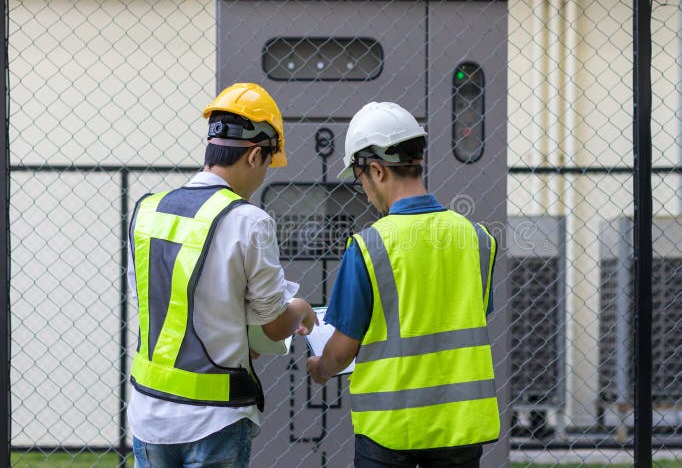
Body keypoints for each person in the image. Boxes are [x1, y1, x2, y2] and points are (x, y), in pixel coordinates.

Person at [127, 82, 316, 467]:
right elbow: (275, 325)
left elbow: (153, 300)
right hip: (216, 418)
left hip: (149, 413)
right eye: (266, 164)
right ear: (254, 155)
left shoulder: (147, 210)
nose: (263, 176)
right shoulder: (250, 221)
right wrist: (300, 308)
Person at [306, 102, 500, 467]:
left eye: (360, 178)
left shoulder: (368, 247)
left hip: (390, 432)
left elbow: (344, 349)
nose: (363, 190)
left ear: (376, 170)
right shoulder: (477, 240)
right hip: (460, 430)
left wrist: (320, 368)